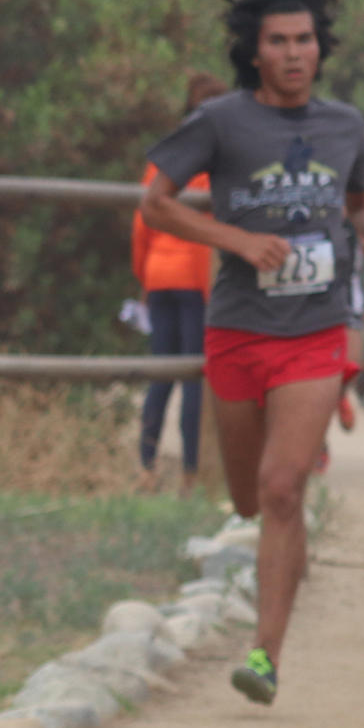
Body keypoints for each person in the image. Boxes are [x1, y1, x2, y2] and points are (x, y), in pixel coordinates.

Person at [141, 0, 364, 707]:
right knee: (248, 498)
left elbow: (359, 196)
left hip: (314, 330)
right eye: (278, 41)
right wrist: (236, 238)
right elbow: (154, 204)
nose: (293, 53)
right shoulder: (220, 121)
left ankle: (265, 657)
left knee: (283, 489)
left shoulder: (345, 125)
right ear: (254, 50)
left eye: (304, 39)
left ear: (320, 45)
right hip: (237, 329)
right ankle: (273, 566)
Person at [130, 72, 229, 496]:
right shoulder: (218, 160)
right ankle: (191, 473)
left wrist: (144, 278)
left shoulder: (163, 157)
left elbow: (142, 224)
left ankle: (146, 467)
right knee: (193, 376)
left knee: (160, 374)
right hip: (194, 280)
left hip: (159, 275)